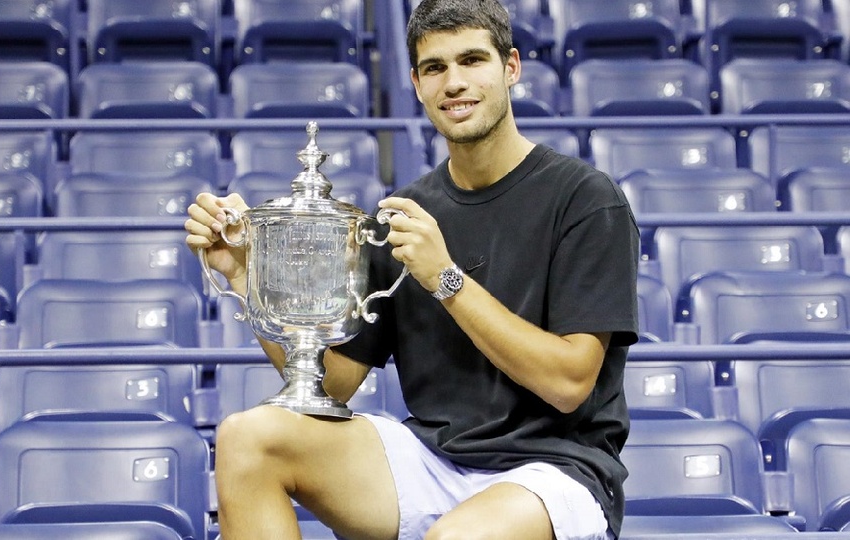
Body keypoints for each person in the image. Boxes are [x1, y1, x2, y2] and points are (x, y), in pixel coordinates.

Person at [185, 0, 639, 538]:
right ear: (417, 85)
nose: (454, 82)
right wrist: (244, 275)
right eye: (435, 68)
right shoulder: (403, 214)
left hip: (556, 470)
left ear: (510, 67)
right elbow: (333, 383)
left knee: (456, 536)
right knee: (247, 437)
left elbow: (569, 383)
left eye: (473, 61)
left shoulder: (586, 199)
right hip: (432, 459)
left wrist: (446, 280)